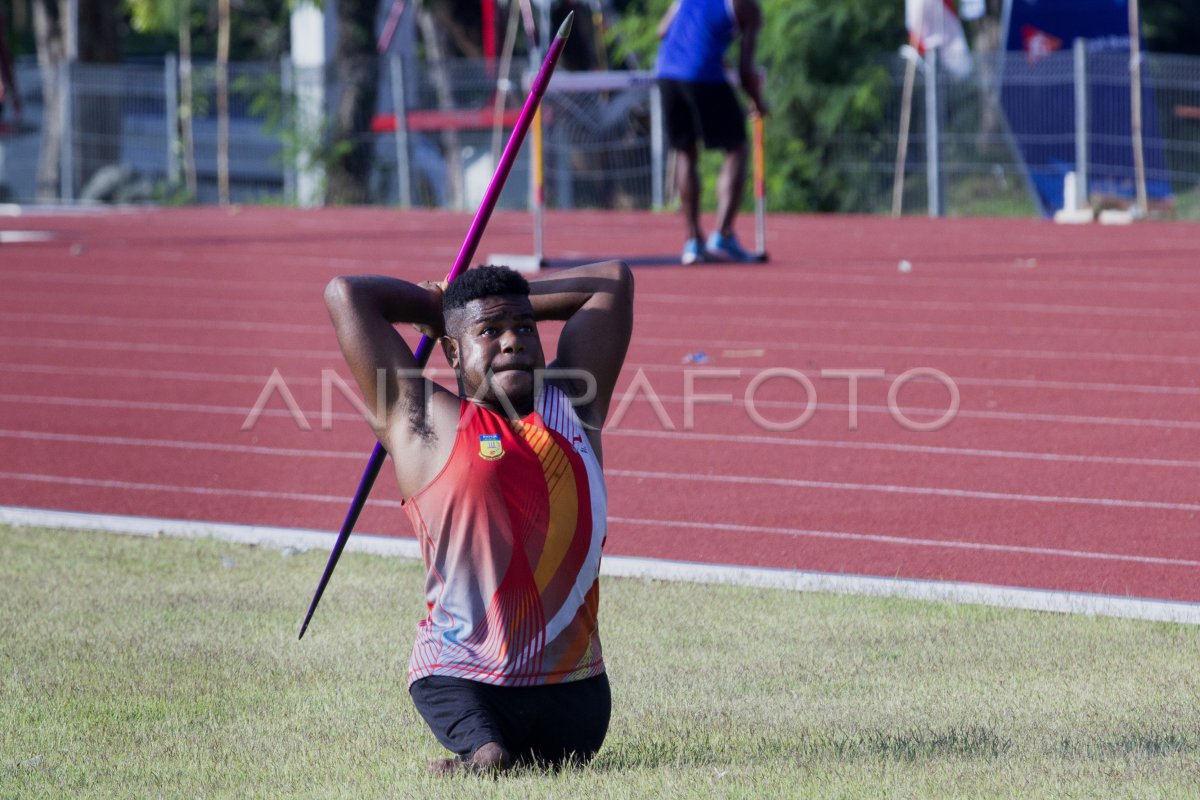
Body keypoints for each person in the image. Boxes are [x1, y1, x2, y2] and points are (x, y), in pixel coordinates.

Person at [324, 260, 634, 773]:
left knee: (502, 755)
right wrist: (439, 307)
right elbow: (346, 295)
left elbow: (612, 283)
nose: (513, 342)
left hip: (574, 697)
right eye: (490, 332)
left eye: (525, 328)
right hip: (466, 682)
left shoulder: (575, 402)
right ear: (449, 349)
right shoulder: (422, 421)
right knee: (489, 748)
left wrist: (476, 307)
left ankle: (483, 758)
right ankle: (482, 752)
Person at [655, 0, 767, 264]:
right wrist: (759, 104)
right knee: (737, 147)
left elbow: (662, 31)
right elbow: (746, 71)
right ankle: (724, 234)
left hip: (666, 73)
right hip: (702, 74)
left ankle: (693, 241)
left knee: (685, 152)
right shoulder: (746, 6)